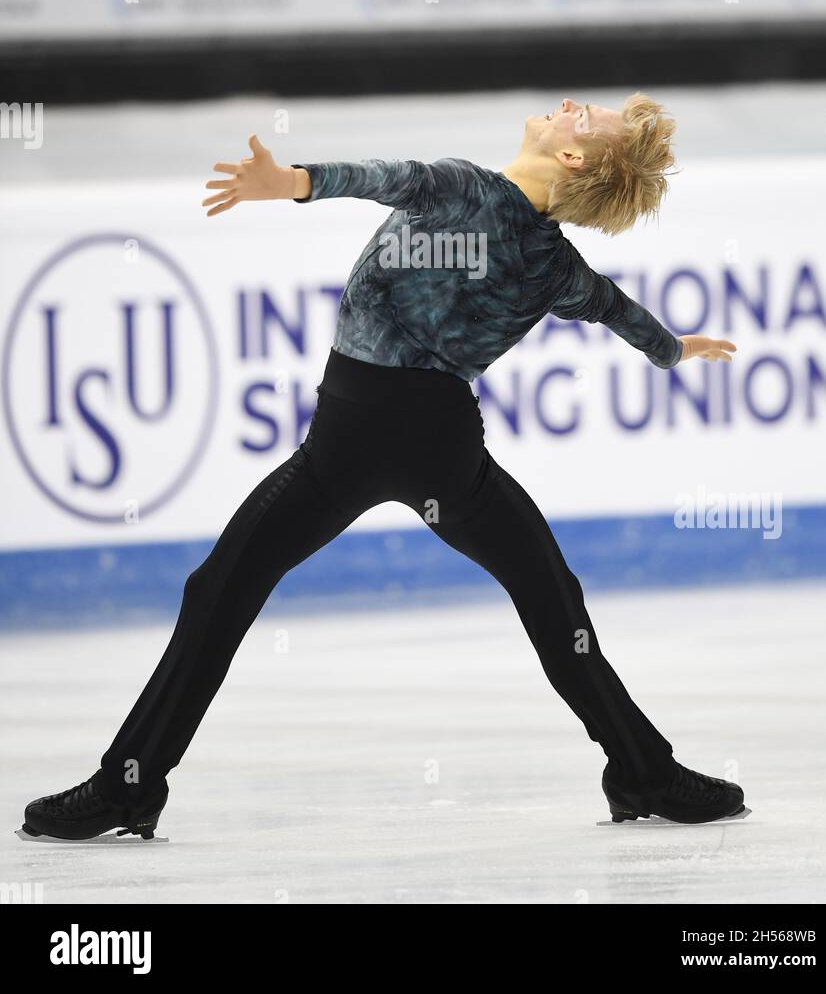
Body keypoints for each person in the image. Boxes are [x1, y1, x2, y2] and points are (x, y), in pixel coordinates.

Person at [21, 95, 746, 840]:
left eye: (584, 119)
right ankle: (641, 769)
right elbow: (612, 307)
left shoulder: (466, 187)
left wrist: (293, 182)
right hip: (444, 454)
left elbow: (384, 177)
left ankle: (129, 785)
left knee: (219, 592)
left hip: (351, 441)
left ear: (572, 158)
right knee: (552, 597)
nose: (569, 106)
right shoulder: (553, 263)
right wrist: (671, 349)